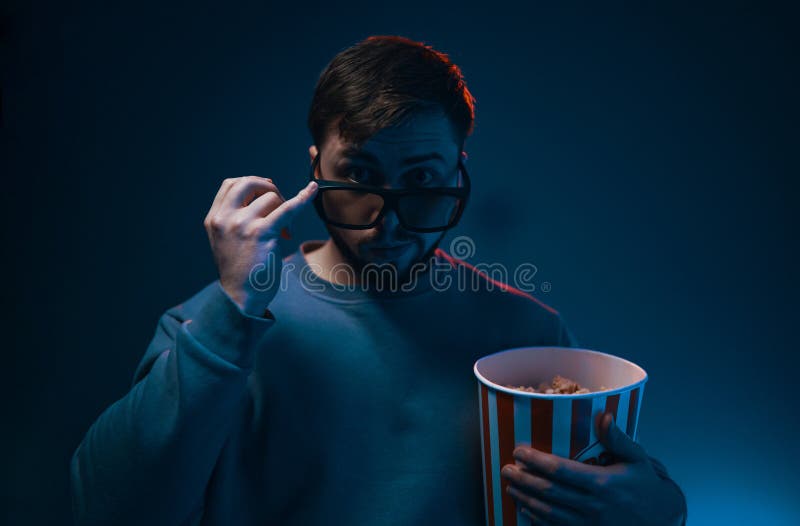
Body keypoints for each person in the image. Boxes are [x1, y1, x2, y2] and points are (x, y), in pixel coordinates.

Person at [70, 35, 688, 525]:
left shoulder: (528, 333)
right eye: (358, 174)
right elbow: (108, 511)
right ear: (315, 168)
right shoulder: (215, 327)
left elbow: (588, 492)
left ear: (457, 170)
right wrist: (234, 310)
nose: (384, 221)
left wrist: (660, 509)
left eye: (420, 181)